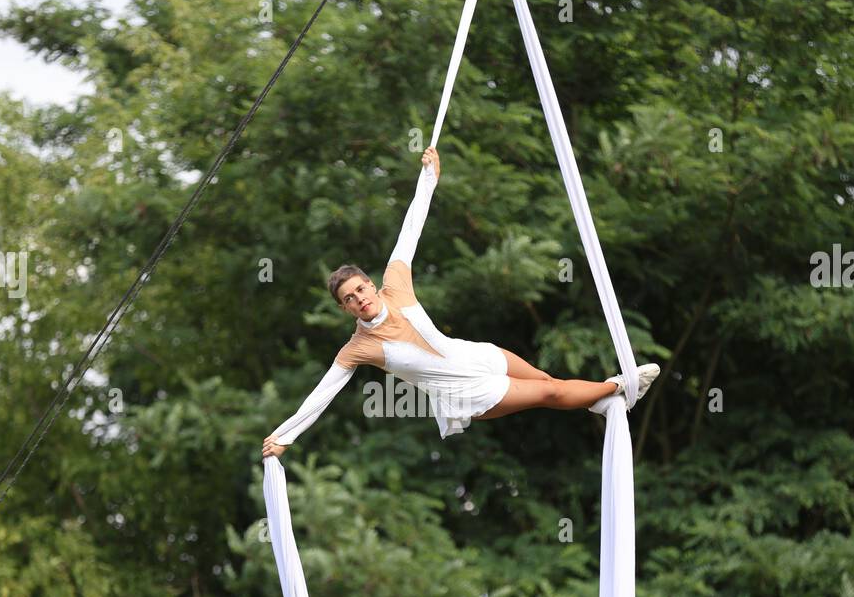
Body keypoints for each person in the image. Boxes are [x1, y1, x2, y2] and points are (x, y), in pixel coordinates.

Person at [262, 146, 659, 458]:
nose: (359, 299)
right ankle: (620, 386)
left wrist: (429, 178)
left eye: (360, 289)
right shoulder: (357, 349)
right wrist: (284, 437)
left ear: (370, 284)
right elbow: (322, 394)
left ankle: (601, 402)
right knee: (550, 396)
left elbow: (411, 227)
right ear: (345, 309)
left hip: (474, 355)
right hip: (464, 392)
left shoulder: (395, 283)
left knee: (546, 381)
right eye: (349, 299)